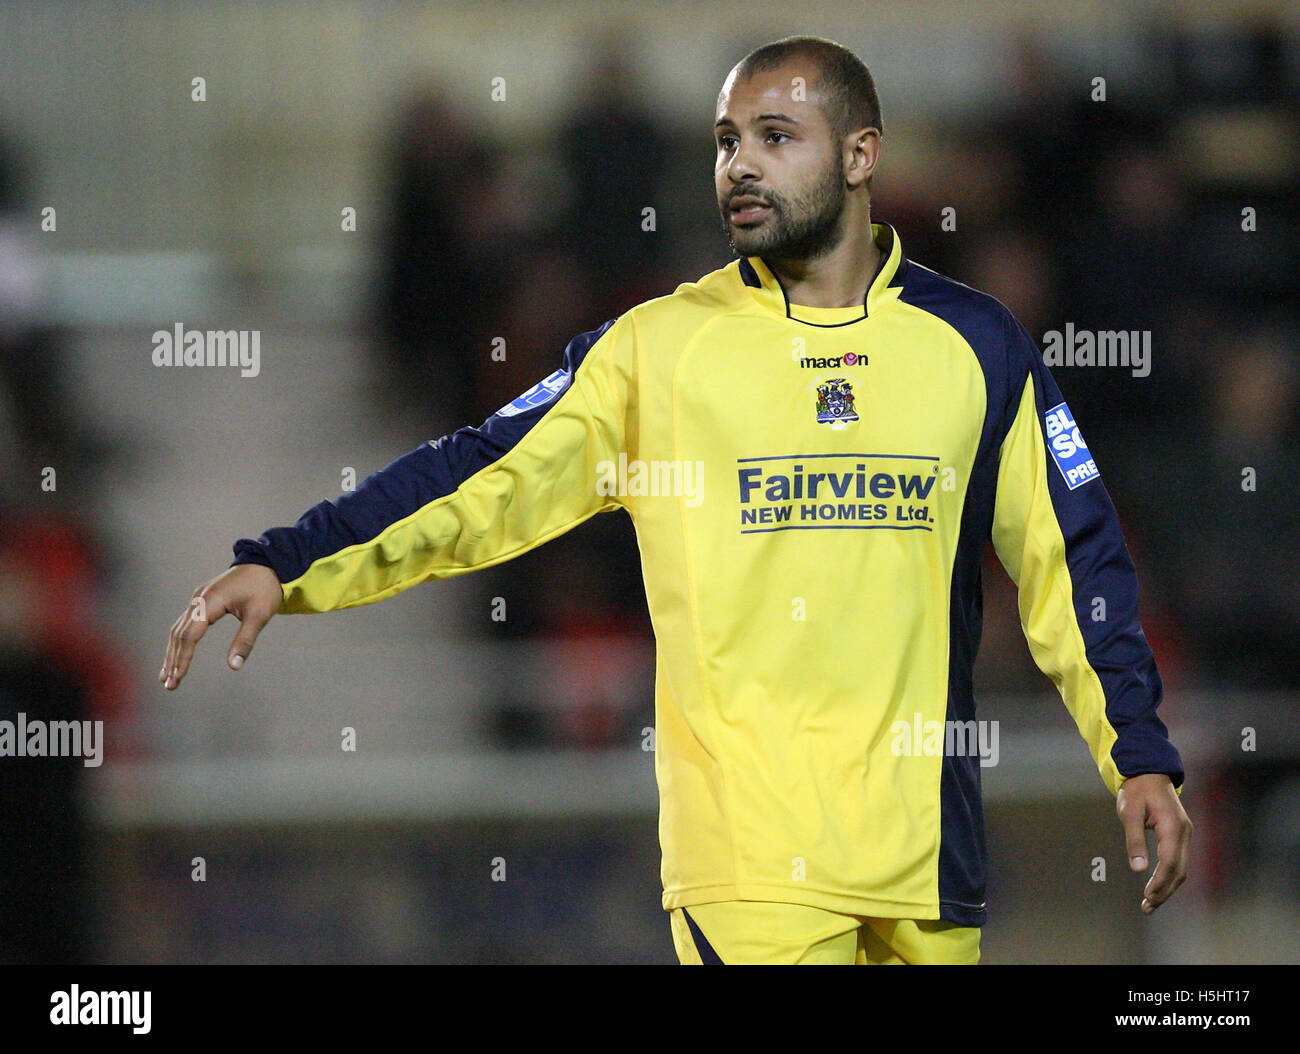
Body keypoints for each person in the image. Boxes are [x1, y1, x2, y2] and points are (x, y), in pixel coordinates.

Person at [161, 35, 1191, 965]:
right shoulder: (659, 347)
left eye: (775, 135)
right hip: (747, 868)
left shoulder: (976, 344)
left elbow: (1074, 556)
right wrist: (291, 559)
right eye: (724, 139)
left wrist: (1135, 752)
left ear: (860, 156)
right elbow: (479, 477)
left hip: (931, 861)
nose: (738, 163)